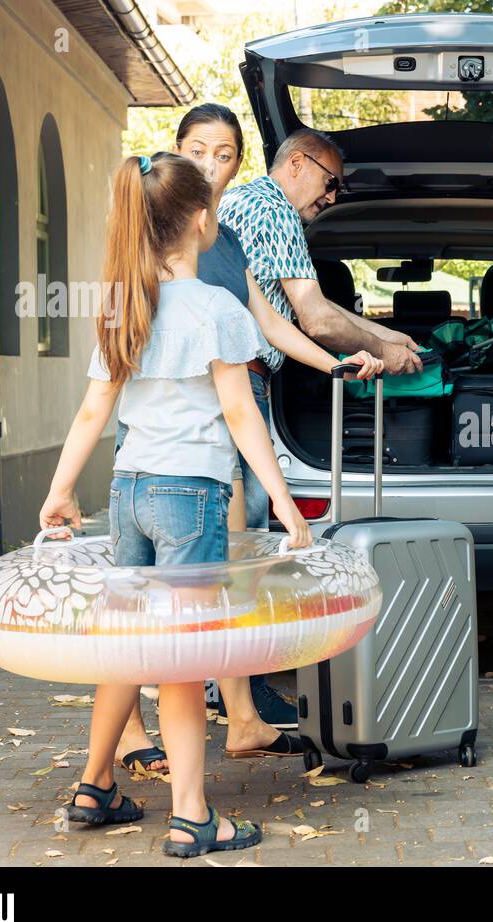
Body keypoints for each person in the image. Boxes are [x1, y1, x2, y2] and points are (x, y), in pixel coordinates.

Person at [41, 152, 310, 854]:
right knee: (185, 662)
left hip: (127, 492)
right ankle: (192, 815)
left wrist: (60, 490)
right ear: (201, 221)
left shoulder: (124, 303)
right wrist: (282, 500)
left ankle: (94, 787)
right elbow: (241, 415)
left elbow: (93, 411)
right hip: (189, 497)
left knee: (129, 653)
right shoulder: (215, 308)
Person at [111, 105, 383, 772]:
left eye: (225, 153)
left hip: (219, 436)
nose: (210, 164)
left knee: (223, 574)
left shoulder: (220, 242)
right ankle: (128, 735)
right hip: (174, 443)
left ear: (238, 164)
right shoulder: (147, 243)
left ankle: (242, 721)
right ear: (176, 155)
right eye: (198, 150)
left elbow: (271, 322)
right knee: (154, 596)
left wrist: (337, 362)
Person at [217, 126, 424, 397]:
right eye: (330, 182)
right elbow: (317, 321)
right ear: (296, 163)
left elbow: (311, 302)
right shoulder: (278, 212)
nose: (332, 197)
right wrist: (384, 352)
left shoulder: (231, 200)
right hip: (243, 377)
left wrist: (386, 334)